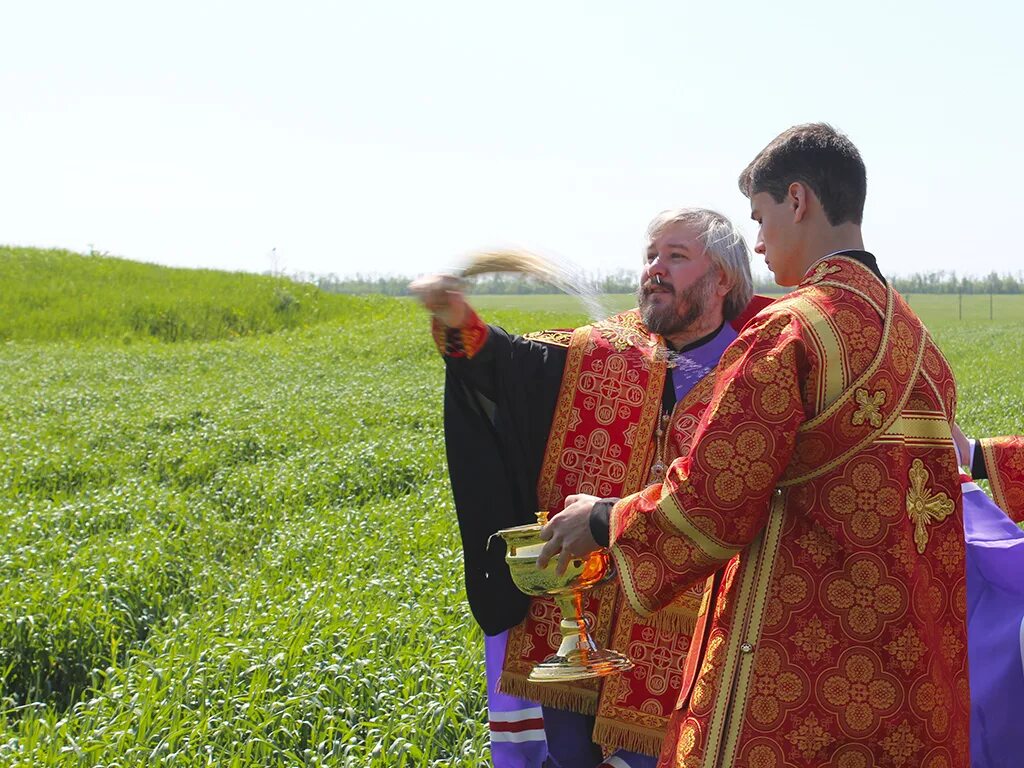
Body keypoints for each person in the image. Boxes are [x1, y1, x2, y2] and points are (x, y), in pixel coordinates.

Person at [539, 123, 970, 767]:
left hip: (798, 675)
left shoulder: (791, 330)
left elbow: (711, 504)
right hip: (908, 677)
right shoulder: (916, 338)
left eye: (760, 218)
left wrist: (601, 519)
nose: (760, 242)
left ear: (797, 200)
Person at [412, 208, 769, 767]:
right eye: (650, 256)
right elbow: (503, 370)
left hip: (695, 635)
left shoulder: (759, 369)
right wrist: (456, 317)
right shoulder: (600, 351)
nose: (654, 269)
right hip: (576, 620)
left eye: (676, 256)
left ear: (722, 278)